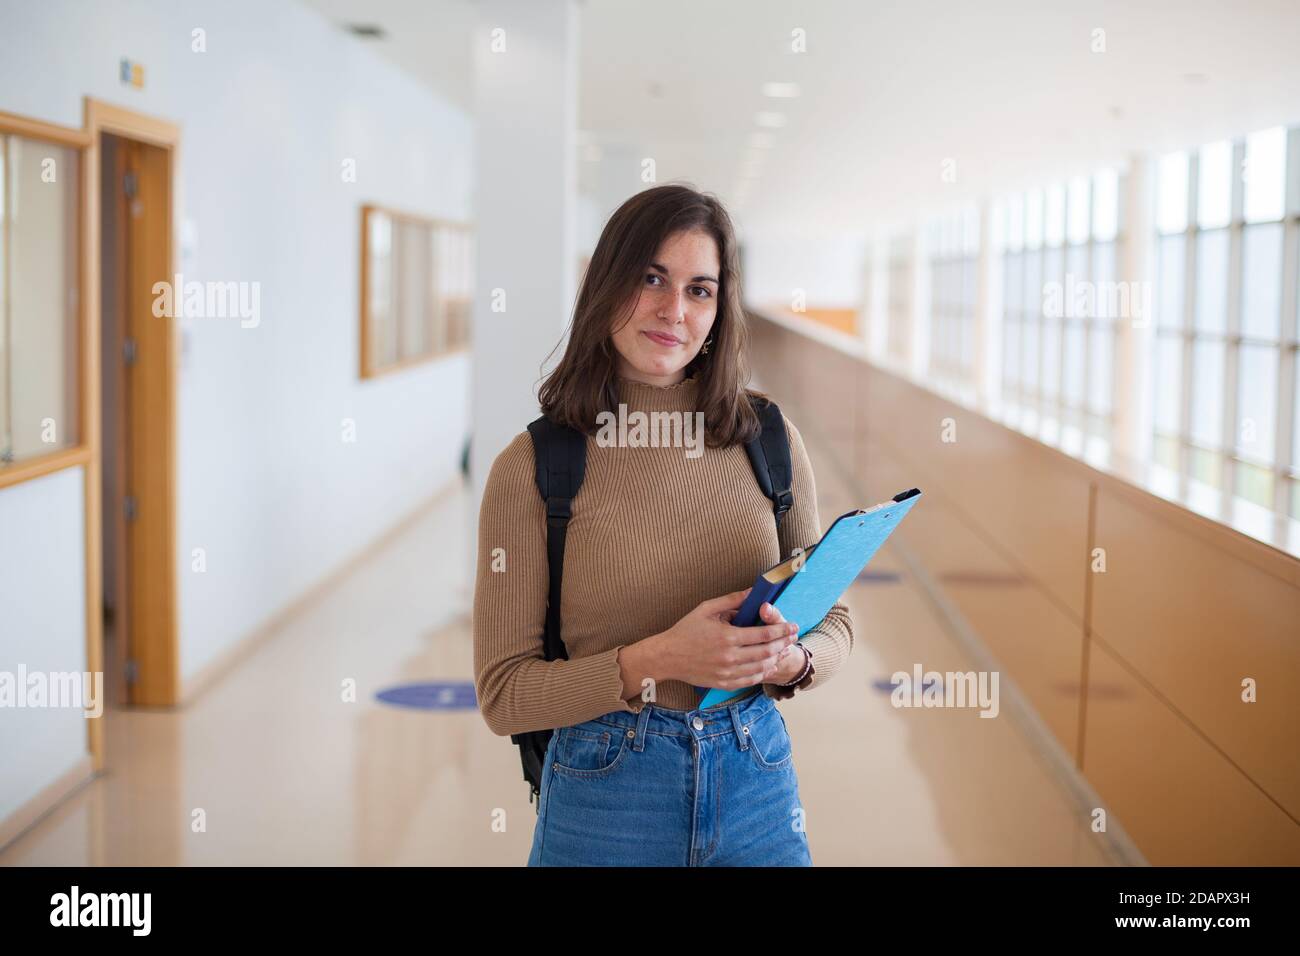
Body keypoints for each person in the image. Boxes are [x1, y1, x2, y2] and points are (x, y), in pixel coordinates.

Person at [472, 182, 854, 866]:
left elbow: (835, 622)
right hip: (605, 793)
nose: (674, 310)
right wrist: (656, 661)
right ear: (607, 283)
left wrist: (791, 660)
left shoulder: (767, 438)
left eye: (699, 289)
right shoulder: (535, 465)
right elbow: (504, 695)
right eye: (652, 278)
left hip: (757, 781)